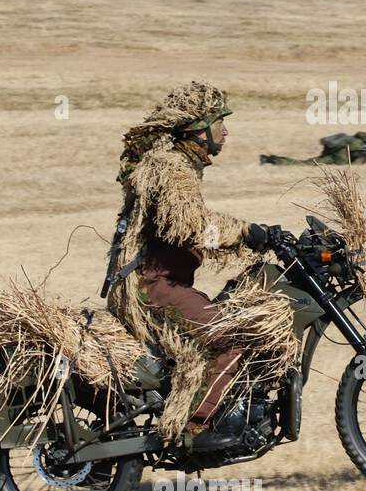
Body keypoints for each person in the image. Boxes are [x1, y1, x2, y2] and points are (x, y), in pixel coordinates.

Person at [105, 82, 291, 442]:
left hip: (161, 284)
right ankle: (189, 432)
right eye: (219, 122)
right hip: (151, 289)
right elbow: (189, 225)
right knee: (229, 341)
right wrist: (249, 232)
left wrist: (254, 237)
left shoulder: (179, 166)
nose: (226, 131)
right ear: (196, 128)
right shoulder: (171, 166)